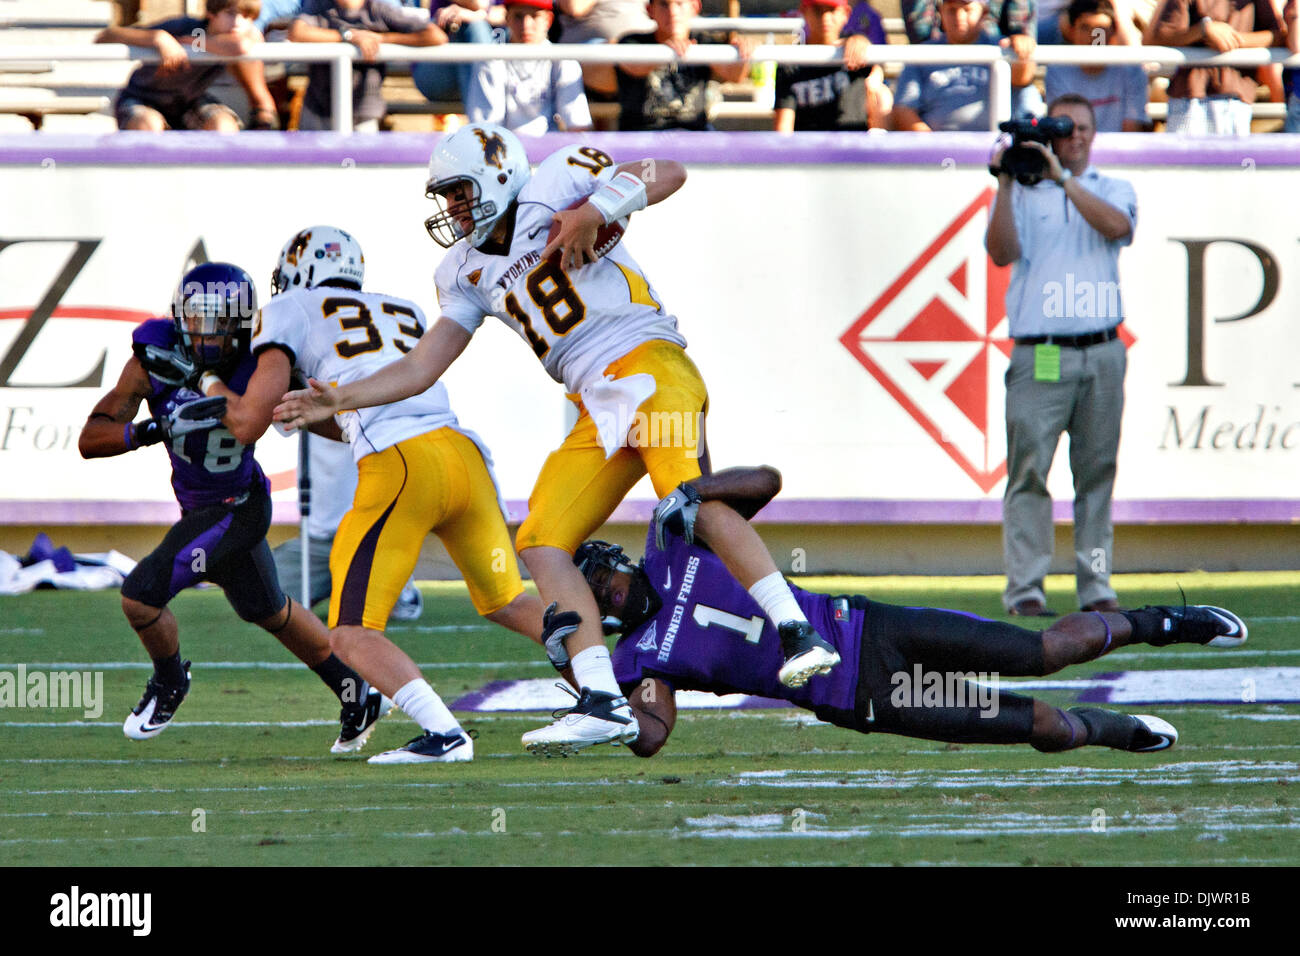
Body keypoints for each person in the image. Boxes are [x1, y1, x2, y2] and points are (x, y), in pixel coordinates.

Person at [274, 125, 841, 756]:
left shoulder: (557, 181)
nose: (453, 208)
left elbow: (670, 170)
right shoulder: (462, 270)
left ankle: (797, 632)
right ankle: (601, 699)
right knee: (542, 539)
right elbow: (422, 365)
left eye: (460, 192)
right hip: (594, 405)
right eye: (447, 196)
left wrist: (596, 209)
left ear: (496, 174)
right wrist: (341, 397)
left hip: (647, 365)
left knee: (689, 502)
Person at [578, 465, 1247, 758]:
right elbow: (654, 733)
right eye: (594, 595)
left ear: (618, 558)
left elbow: (766, 482)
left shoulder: (672, 540)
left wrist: (690, 489)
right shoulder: (635, 658)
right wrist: (609, 716)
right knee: (1035, 721)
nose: (607, 591)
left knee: (1041, 652)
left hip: (869, 625)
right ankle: (1105, 728)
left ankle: (1163, 622)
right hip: (864, 693)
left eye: (602, 576)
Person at [209, 226, 545, 763]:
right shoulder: (400, 307)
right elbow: (349, 415)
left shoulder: (292, 304)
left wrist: (208, 383)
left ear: (296, 272)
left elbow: (246, 421)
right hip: (463, 455)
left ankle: (445, 735)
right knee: (510, 601)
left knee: (349, 633)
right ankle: (608, 690)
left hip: (403, 464)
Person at [77, 262, 388, 755]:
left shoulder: (262, 361)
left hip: (239, 505)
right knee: (269, 610)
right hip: (202, 508)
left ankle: (170, 679)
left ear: (242, 323)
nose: (206, 332)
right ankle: (356, 691)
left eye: (219, 320)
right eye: (197, 318)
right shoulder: (153, 357)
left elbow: (318, 418)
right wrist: (148, 431)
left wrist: (351, 418)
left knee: (139, 595)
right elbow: (90, 441)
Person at [985, 93, 1137, 617]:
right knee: (1029, 472)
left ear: (1095, 134)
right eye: (1064, 129)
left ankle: (1096, 586)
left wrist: (1062, 180)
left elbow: (1117, 228)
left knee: (1096, 475)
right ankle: (1026, 587)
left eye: (1083, 128)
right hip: (1042, 354)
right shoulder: (1023, 191)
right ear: (1050, 134)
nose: (1075, 137)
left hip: (1102, 351)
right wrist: (1006, 180)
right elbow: (1001, 252)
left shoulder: (1112, 187)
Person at [269, 431, 425, 619]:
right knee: (265, 598)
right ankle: (340, 586)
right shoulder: (301, 401)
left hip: (366, 536)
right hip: (316, 540)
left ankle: (393, 585)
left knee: (364, 615)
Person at [96, 0, 279, 131]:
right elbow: (106, 36)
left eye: (247, 17)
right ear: (211, 13)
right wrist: (158, 38)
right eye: (230, 14)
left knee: (223, 125)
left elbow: (240, 46)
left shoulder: (239, 36)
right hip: (142, 97)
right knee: (147, 124)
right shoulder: (186, 26)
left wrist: (191, 43)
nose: (238, 23)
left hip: (187, 102)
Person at [288, 0, 448, 131]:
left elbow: (436, 36)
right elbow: (296, 32)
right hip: (317, 110)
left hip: (364, 113)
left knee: (361, 167)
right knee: (314, 168)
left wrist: (381, 39)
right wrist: (349, 36)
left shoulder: (378, 9)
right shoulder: (319, 6)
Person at [889, 0, 1040, 132]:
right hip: (939, 155)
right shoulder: (922, 53)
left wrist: (1022, 49)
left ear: (984, 13)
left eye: (967, 10)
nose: (959, 17)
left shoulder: (1003, 47)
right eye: (952, 10)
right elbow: (904, 109)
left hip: (997, 150)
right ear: (940, 12)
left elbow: (1023, 79)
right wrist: (934, 147)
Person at [614, 0, 758, 131]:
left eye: (679, 3)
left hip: (694, 136)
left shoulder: (704, 42)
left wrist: (742, 51)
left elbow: (735, 75)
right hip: (642, 137)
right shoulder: (632, 42)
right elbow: (634, 66)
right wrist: (666, 52)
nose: (672, 12)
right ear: (650, 10)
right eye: (664, 4)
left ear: (695, 7)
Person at [1148, 0, 1285, 135]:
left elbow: (1278, 35)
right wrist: (1202, 30)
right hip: (1190, 98)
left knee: (1232, 156)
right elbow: (1157, 37)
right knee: (1186, 157)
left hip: (1237, 99)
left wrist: (1234, 39)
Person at [464, 0, 593, 133]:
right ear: (507, 18)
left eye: (535, 16)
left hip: (550, 148)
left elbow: (578, 126)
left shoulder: (564, 61)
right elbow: (486, 131)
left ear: (548, 20)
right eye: (518, 16)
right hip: (505, 150)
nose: (526, 25)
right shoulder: (491, 61)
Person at [773, 0, 887, 131]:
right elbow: (784, 129)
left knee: (881, 93)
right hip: (809, 148)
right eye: (817, 10)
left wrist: (861, 42)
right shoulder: (791, 62)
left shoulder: (855, 47)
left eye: (832, 10)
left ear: (846, 13)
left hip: (853, 146)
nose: (825, 18)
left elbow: (877, 77)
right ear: (804, 11)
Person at [1044, 0, 1148, 132]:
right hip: (1077, 150)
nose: (1093, 37)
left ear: (1113, 32)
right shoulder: (1057, 71)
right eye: (1085, 27)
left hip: (1117, 151)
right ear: (1071, 31)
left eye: (1101, 29)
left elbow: (1131, 134)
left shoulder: (1132, 71)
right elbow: (1067, 134)